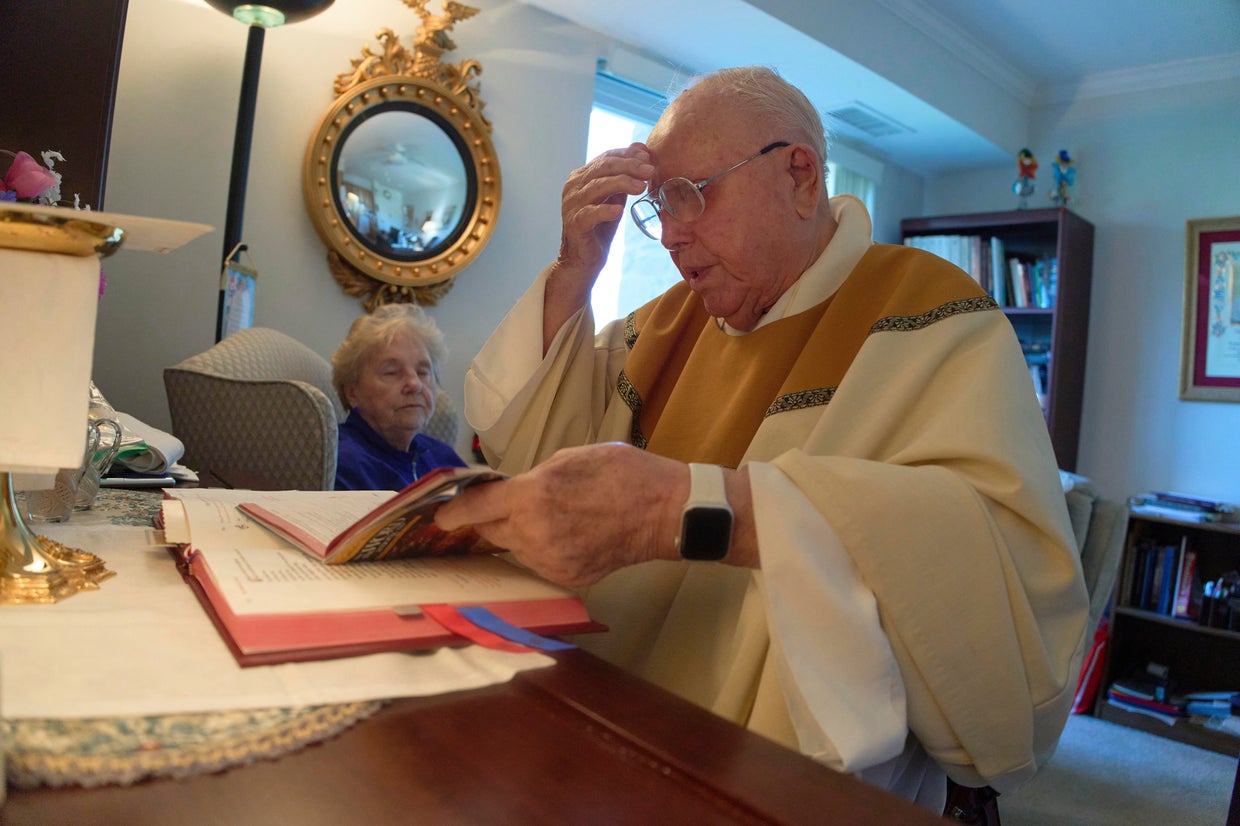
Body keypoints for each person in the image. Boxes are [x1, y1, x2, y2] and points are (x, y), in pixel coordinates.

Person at [435, 66, 1088, 811]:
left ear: (800, 176)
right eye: (657, 208)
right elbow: (525, 443)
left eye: (690, 195)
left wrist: (706, 509)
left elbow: (999, 561)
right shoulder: (665, 322)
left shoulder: (934, 318)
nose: (673, 235)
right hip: (601, 699)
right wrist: (574, 273)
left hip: (786, 761)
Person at [331, 303, 465, 491]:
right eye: (391, 372)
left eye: (423, 371)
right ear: (353, 392)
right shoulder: (341, 462)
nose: (414, 384)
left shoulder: (441, 457)